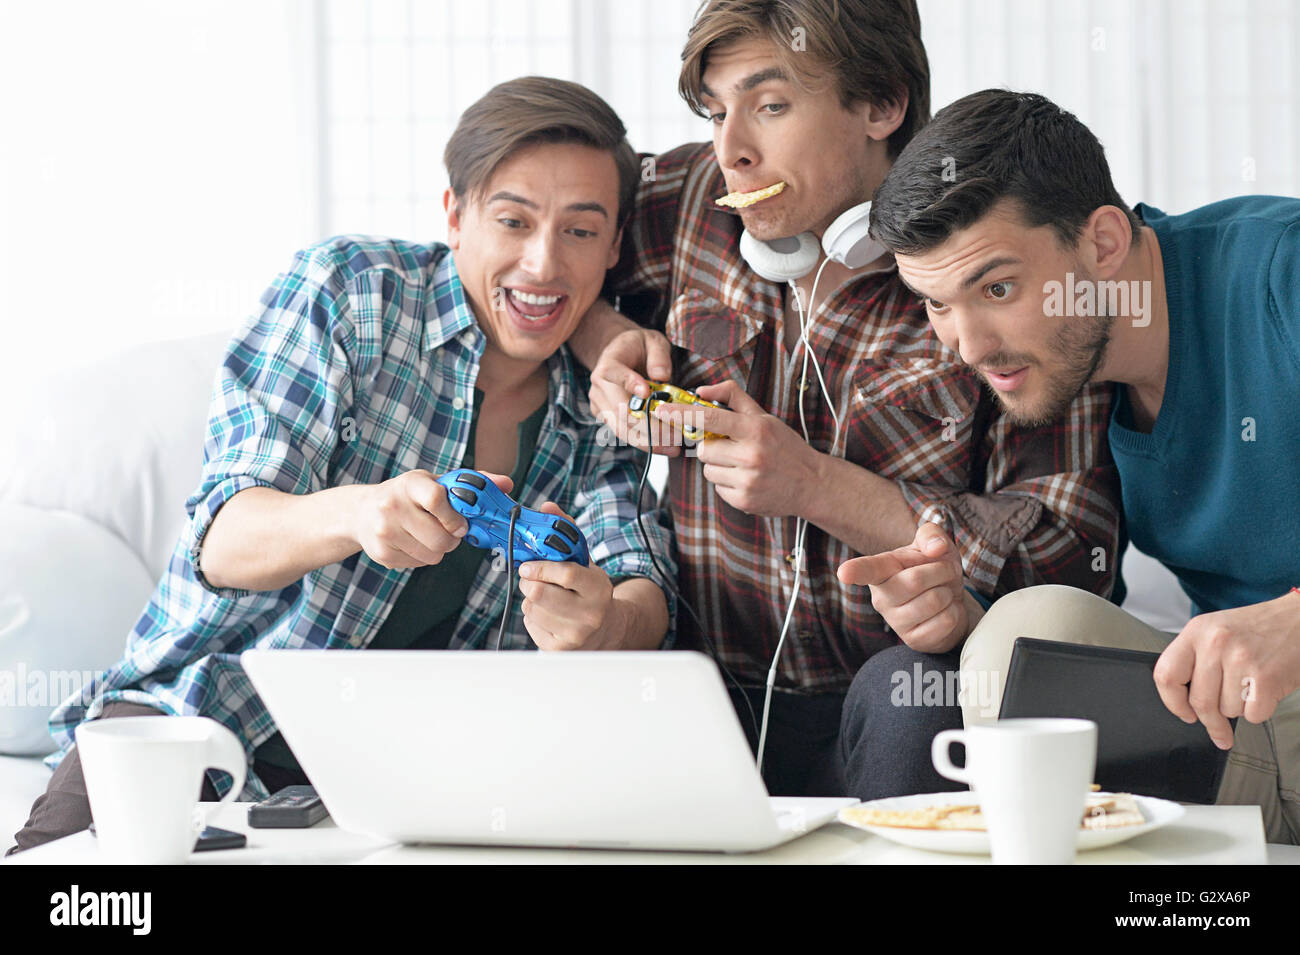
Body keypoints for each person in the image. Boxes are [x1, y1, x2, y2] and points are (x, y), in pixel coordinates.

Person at [7, 76, 675, 855]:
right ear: (455, 216)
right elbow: (223, 541)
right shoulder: (351, 295)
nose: (542, 262)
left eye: (580, 232)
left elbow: (642, 584)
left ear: (616, 244)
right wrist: (358, 514)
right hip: (196, 724)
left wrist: (601, 623)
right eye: (513, 221)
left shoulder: (608, 402)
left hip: (425, 787)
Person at [566, 0, 1122, 797]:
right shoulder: (692, 197)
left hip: (901, 702)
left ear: (882, 104)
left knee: (912, 697)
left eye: (770, 106)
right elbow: (534, 272)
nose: (734, 151)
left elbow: (1073, 556)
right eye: (718, 112)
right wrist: (608, 340)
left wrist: (817, 486)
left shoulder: (989, 264)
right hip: (710, 688)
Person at [852, 87, 1300, 843]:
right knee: (1020, 640)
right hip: (1253, 740)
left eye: (997, 288)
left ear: (1101, 242)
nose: (967, 346)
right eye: (935, 303)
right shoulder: (1066, 367)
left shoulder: (1278, 273)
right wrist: (966, 619)